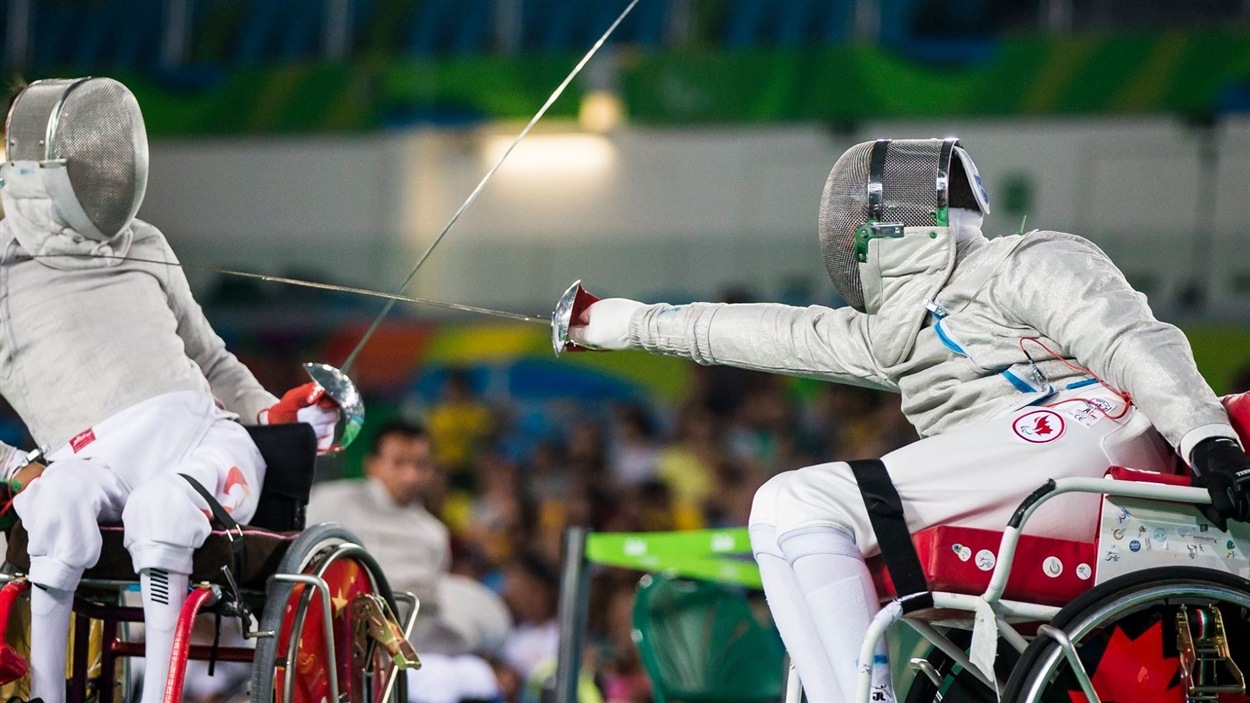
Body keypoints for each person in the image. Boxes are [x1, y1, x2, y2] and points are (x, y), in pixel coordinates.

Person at [563, 137, 1250, 702]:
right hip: (1031, 482)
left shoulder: (1023, 260)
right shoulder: (889, 335)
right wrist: (614, 322)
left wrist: (1206, 436)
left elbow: (1131, 339)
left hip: (1100, 448)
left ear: (890, 224)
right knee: (779, 508)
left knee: (807, 495)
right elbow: (755, 330)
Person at [0, 77, 340, 703]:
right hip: (92, 459)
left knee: (162, 515)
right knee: (52, 507)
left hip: (203, 442)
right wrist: (16, 468)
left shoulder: (143, 241)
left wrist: (271, 410)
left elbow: (211, 359)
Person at [306, 420, 511, 657]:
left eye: (420, 465)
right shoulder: (330, 501)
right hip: (327, 640)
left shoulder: (433, 534)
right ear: (373, 465)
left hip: (398, 654)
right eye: (399, 463)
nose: (410, 476)